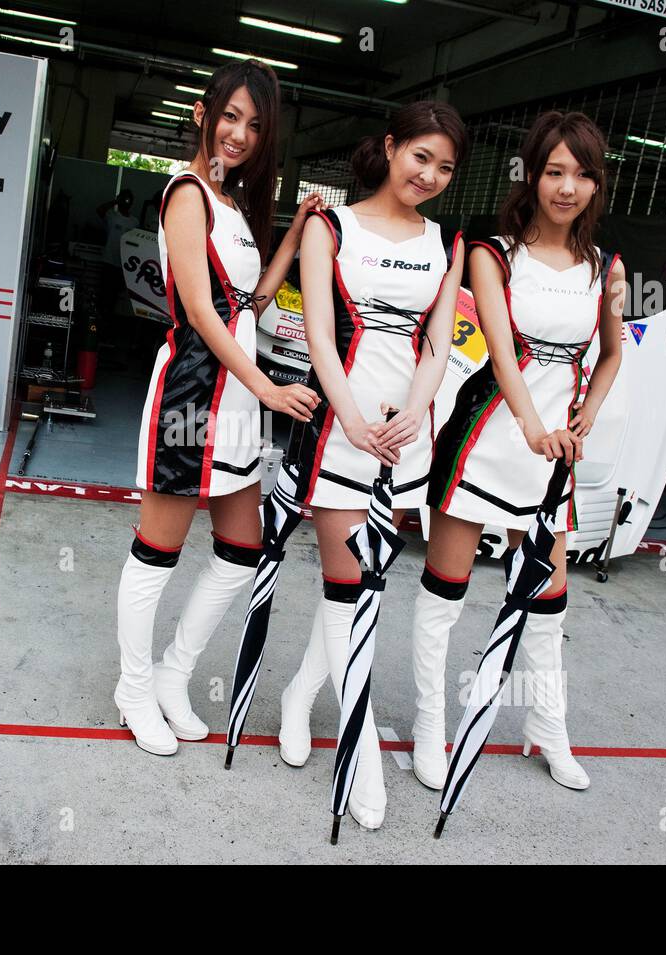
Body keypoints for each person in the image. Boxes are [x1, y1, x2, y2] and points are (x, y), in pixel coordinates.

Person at [115, 59, 324, 756]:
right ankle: (133, 686)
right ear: (203, 113)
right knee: (158, 551)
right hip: (192, 395)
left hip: (234, 398)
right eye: (229, 116)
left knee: (241, 549)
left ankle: (175, 674)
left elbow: (246, 306)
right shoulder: (186, 194)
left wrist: (293, 239)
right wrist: (267, 389)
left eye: (255, 125)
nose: (238, 133)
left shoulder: (232, 205)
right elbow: (202, 313)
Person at [416, 110, 626, 792]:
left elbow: (613, 355)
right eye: (555, 171)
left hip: (551, 450)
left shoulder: (606, 267)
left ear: (596, 184)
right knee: (444, 592)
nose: (567, 187)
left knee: (548, 595)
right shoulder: (492, 253)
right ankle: (428, 728)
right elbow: (503, 360)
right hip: (483, 438)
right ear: (531, 174)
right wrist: (537, 428)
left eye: (582, 174)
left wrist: (581, 422)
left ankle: (548, 728)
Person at [276, 101, 468, 830]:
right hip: (340, 433)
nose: (430, 174)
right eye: (421, 156)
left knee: (363, 589)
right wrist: (353, 419)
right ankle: (359, 751)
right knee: (350, 592)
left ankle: (301, 696)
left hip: (404, 440)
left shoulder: (447, 242)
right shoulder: (330, 228)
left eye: (446, 166)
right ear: (391, 148)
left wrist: (418, 411)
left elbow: (437, 346)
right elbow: (321, 337)